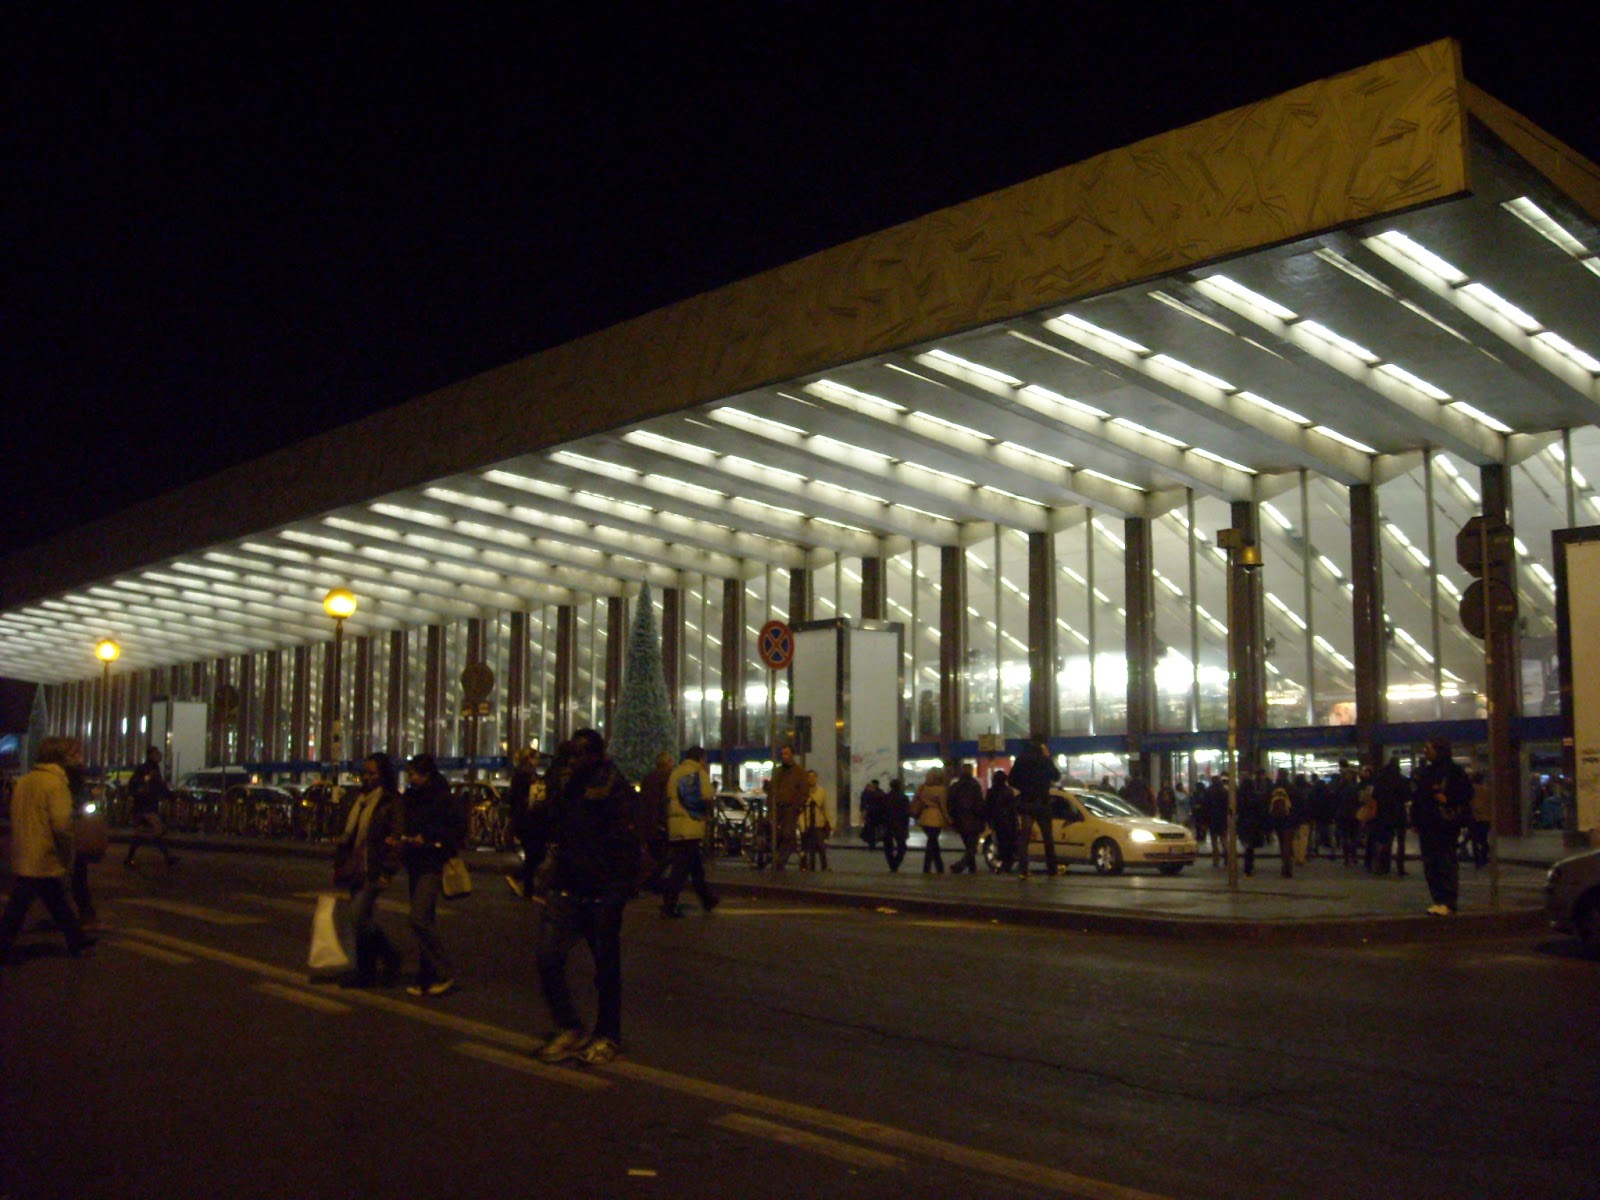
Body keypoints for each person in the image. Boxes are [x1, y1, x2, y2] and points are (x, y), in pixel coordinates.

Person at [527, 727, 642, 1065]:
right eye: (570, 754)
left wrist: (617, 888)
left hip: (601, 888)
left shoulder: (612, 785)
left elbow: (626, 839)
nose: (573, 761)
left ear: (595, 755)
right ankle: (569, 1025)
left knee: (605, 967)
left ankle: (608, 1034)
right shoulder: (566, 784)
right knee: (547, 956)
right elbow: (546, 823)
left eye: (579, 754)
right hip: (568, 884)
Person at [0, 737, 97, 961]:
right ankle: (3, 944)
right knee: (22, 903)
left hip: (26, 848)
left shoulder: (25, 781)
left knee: (53, 899)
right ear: (63, 757)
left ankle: (76, 938)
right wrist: (68, 851)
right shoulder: (55, 784)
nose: (79, 757)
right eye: (74, 753)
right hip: (45, 852)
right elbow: (62, 825)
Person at [393, 753, 464, 997]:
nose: (410, 778)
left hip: (432, 861)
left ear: (426, 774)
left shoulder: (441, 797)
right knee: (425, 919)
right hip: (415, 860)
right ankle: (426, 976)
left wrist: (429, 837)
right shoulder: (413, 796)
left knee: (419, 918)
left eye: (413, 774)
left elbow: (454, 828)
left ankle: (445, 971)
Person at [335, 753, 404, 987]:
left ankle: (382, 960)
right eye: (365, 772)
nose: (367, 777)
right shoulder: (360, 799)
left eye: (372, 773)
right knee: (362, 918)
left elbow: (396, 838)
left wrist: (387, 871)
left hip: (374, 867)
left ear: (383, 775)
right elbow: (351, 831)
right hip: (356, 866)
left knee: (356, 916)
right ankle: (372, 967)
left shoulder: (390, 801)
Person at [1410, 736, 1473, 915]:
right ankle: (1438, 899)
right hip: (1428, 822)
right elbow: (1418, 798)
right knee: (1431, 864)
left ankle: (1447, 900)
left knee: (1444, 861)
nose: (1425, 752)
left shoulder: (1453, 771)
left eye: (1428, 748)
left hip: (1444, 823)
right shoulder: (1427, 771)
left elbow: (1466, 794)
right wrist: (1415, 820)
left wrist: (1448, 799)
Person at [660, 747, 719, 917]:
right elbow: (707, 795)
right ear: (700, 758)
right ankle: (669, 905)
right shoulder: (699, 772)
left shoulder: (675, 773)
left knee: (695, 866)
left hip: (676, 825)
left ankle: (707, 898)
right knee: (681, 869)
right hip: (692, 823)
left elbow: (669, 796)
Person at [1010, 735, 1060, 879]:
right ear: (1043, 746)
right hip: (1042, 802)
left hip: (1026, 802)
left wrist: (1024, 788)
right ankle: (1052, 868)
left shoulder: (1021, 759)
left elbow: (1011, 780)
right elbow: (1056, 776)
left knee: (1025, 837)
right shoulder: (1045, 760)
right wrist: (1048, 758)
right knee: (1047, 837)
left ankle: (1023, 869)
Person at [124, 745, 178, 868]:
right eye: (157, 753)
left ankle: (130, 858)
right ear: (151, 755)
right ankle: (167, 857)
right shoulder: (148, 769)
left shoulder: (151, 769)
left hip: (144, 805)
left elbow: (157, 786)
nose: (160, 756)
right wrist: (170, 796)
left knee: (144, 833)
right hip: (145, 805)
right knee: (156, 830)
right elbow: (155, 785)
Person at [504, 746, 546, 898]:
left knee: (532, 853)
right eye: (536, 758)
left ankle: (526, 885)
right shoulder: (526, 776)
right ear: (529, 759)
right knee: (535, 853)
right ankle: (524, 882)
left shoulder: (522, 774)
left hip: (524, 819)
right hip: (528, 819)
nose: (538, 761)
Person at [768, 744, 809, 871]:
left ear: (792, 755)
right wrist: (770, 805)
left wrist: (797, 806)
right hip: (777, 808)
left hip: (790, 808)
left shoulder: (800, 772)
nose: (784, 756)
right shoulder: (778, 772)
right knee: (774, 833)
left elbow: (804, 792)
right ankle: (775, 858)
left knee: (787, 834)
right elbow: (772, 790)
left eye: (786, 753)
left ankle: (781, 861)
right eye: (782, 754)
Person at [1368, 756, 1409, 875]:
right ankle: (1400, 867)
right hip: (1399, 812)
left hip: (1384, 812)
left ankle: (1384, 866)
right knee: (1401, 841)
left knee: (1386, 840)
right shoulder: (1402, 780)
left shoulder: (1381, 780)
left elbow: (1374, 796)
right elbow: (1407, 797)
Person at [946, 761, 985, 874]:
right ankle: (960, 866)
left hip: (960, 820)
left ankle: (971, 868)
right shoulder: (975, 785)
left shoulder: (956, 786)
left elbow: (950, 804)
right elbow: (979, 804)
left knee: (969, 845)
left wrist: (953, 817)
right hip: (974, 819)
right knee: (972, 847)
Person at [910, 767, 949, 874]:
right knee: (932, 842)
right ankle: (933, 867)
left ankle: (935, 866)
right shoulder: (941, 789)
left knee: (932, 841)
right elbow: (943, 806)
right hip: (936, 817)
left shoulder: (922, 787)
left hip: (924, 817)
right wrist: (948, 818)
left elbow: (915, 799)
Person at [986, 769, 1019, 874]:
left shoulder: (991, 792)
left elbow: (988, 808)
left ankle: (1003, 864)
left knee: (1000, 844)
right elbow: (1013, 809)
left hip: (998, 822)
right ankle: (1007, 864)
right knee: (1008, 844)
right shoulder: (1008, 791)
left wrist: (989, 821)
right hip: (1008, 822)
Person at [801, 769, 832, 872]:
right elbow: (801, 810)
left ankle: (824, 866)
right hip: (807, 823)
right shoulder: (803, 792)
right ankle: (810, 867)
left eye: (813, 777)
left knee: (821, 845)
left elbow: (825, 807)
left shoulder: (821, 791)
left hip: (818, 823)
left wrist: (829, 821)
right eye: (809, 777)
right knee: (809, 847)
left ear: (816, 778)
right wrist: (802, 825)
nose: (811, 779)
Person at [882, 777, 911, 872]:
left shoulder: (886, 797)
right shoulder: (904, 798)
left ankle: (892, 864)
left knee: (888, 847)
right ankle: (895, 863)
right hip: (900, 825)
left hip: (888, 824)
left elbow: (882, 812)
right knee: (902, 847)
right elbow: (907, 813)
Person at [1467, 769, 1492, 869]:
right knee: (1483, 839)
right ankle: (1484, 857)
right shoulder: (1487, 790)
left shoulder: (1471, 789)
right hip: (1485, 817)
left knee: (1475, 840)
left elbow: (1469, 802)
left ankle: (1477, 860)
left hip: (1474, 817)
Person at [858, 779, 887, 851]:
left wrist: (863, 810)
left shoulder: (869, 793)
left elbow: (864, 802)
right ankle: (873, 843)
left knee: (871, 829)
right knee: (874, 829)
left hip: (871, 814)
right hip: (877, 814)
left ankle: (871, 843)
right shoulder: (881, 793)